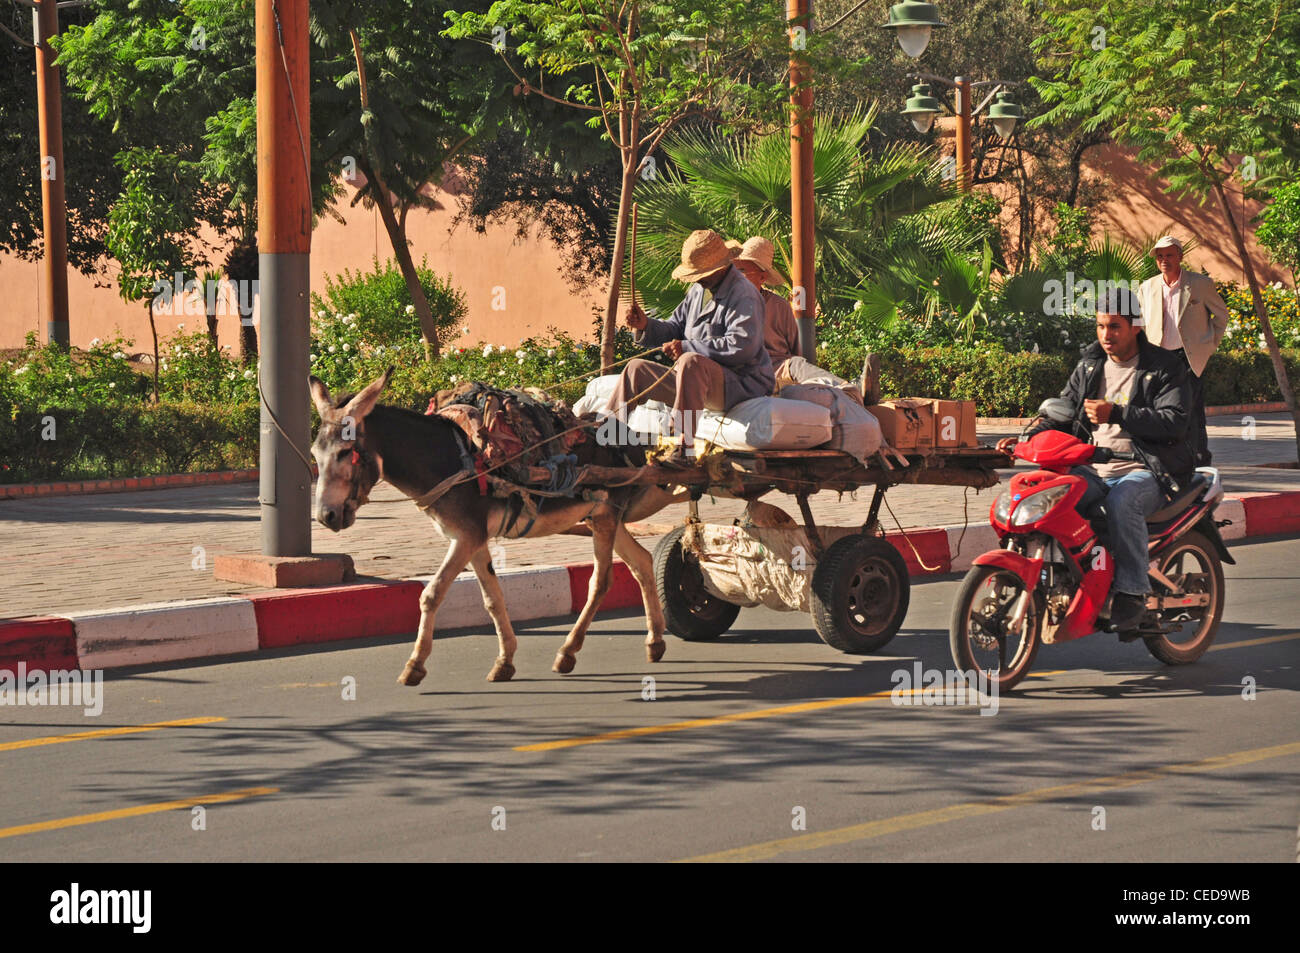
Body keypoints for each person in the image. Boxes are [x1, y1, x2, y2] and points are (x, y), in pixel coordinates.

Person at [998, 287, 1193, 634]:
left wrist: (1117, 413)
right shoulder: (1090, 365)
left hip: (1147, 468)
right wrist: (1025, 439)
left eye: (1114, 327)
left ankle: (1132, 591)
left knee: (1122, 502)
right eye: (1101, 326)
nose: (1106, 335)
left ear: (1135, 326)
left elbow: (1174, 421)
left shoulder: (1164, 367)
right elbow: (1065, 411)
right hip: (1093, 467)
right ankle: (1068, 577)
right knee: (1049, 499)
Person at [605, 229, 772, 461]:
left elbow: (741, 348)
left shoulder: (744, 294)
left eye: (702, 273)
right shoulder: (698, 290)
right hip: (696, 381)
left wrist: (688, 347)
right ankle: (608, 433)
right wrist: (645, 325)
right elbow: (674, 328)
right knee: (636, 369)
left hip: (740, 384)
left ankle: (682, 445)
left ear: (721, 267)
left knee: (690, 361)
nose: (698, 279)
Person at [730, 235, 861, 400]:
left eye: (742, 271)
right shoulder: (725, 303)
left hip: (778, 367)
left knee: (797, 366)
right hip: (744, 371)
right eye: (734, 270)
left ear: (762, 277)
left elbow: (795, 348)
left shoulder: (778, 305)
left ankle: (850, 390)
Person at [1138, 235, 1229, 466]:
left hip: (1188, 358)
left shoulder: (1200, 284)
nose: (1164, 260)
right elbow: (1138, 323)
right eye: (1160, 256)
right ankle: (1165, 462)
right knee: (1157, 411)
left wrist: (1207, 346)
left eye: (1169, 255)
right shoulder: (1146, 287)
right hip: (1157, 359)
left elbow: (1221, 316)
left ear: (1180, 256)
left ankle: (1200, 462)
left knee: (1191, 412)